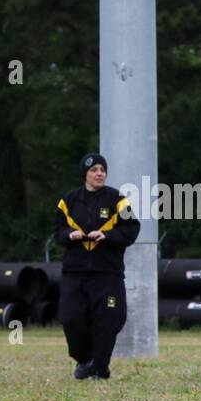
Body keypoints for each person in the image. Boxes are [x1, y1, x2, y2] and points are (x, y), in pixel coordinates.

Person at [53, 153, 141, 380]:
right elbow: (57, 231)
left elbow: (132, 229)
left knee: (108, 319)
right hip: (75, 272)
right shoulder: (68, 200)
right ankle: (84, 360)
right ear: (85, 174)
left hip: (107, 273)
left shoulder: (119, 199)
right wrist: (68, 234)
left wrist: (107, 235)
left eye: (102, 169)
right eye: (94, 170)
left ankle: (100, 368)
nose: (99, 173)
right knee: (71, 318)